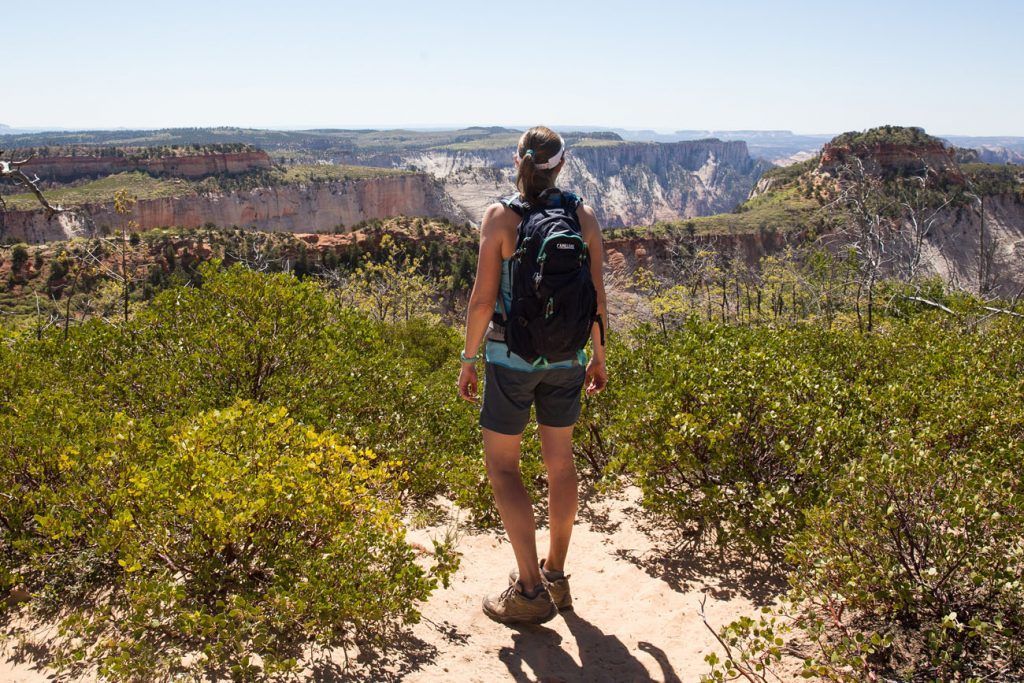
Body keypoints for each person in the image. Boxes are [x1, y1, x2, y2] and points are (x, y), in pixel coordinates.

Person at [457, 125, 608, 625]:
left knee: (504, 468)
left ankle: (528, 590)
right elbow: (596, 297)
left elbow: (482, 300)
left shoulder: (500, 217)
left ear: (517, 162)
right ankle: (558, 577)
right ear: (559, 166)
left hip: (509, 362)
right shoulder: (581, 214)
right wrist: (599, 356)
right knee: (560, 465)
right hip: (568, 360)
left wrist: (468, 359)